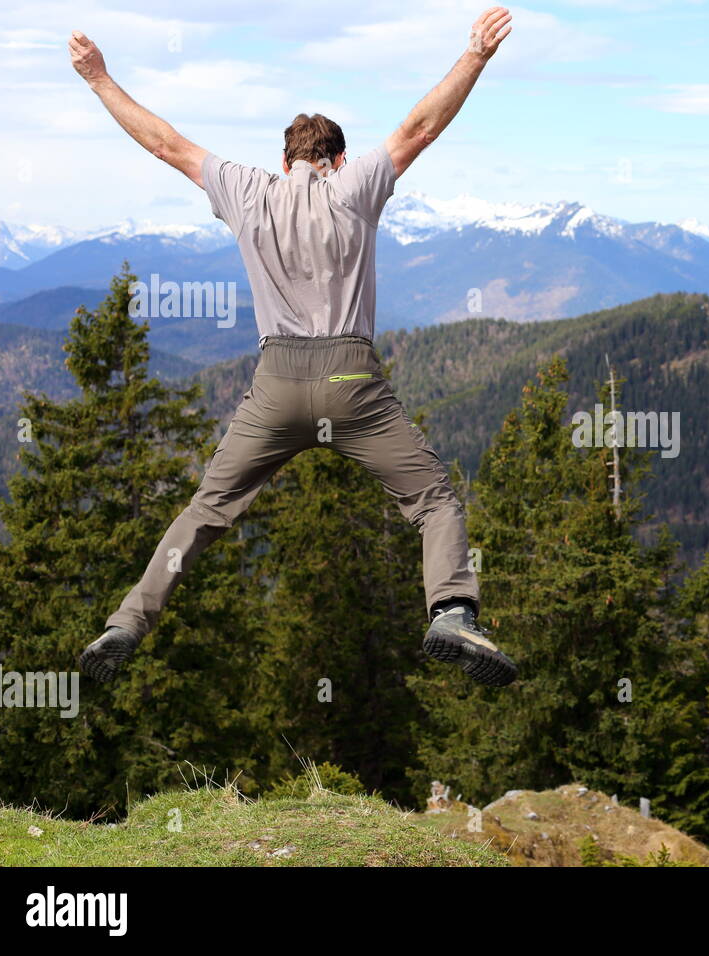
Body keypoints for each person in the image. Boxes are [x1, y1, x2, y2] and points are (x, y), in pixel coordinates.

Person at [68, 8, 517, 687]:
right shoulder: (356, 186)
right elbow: (420, 127)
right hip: (351, 386)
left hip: (275, 387)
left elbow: (164, 143)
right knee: (432, 499)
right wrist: (475, 56)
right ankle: (452, 612)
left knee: (206, 511)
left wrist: (98, 78)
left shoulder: (247, 190)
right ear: (339, 161)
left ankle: (127, 622)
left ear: (285, 162)